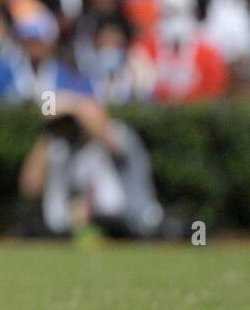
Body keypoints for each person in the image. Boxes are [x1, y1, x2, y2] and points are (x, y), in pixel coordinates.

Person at [18, 94, 163, 239]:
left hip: (126, 225)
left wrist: (73, 107)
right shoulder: (59, 146)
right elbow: (30, 187)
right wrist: (51, 128)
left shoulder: (119, 134)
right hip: (67, 231)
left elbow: (108, 139)